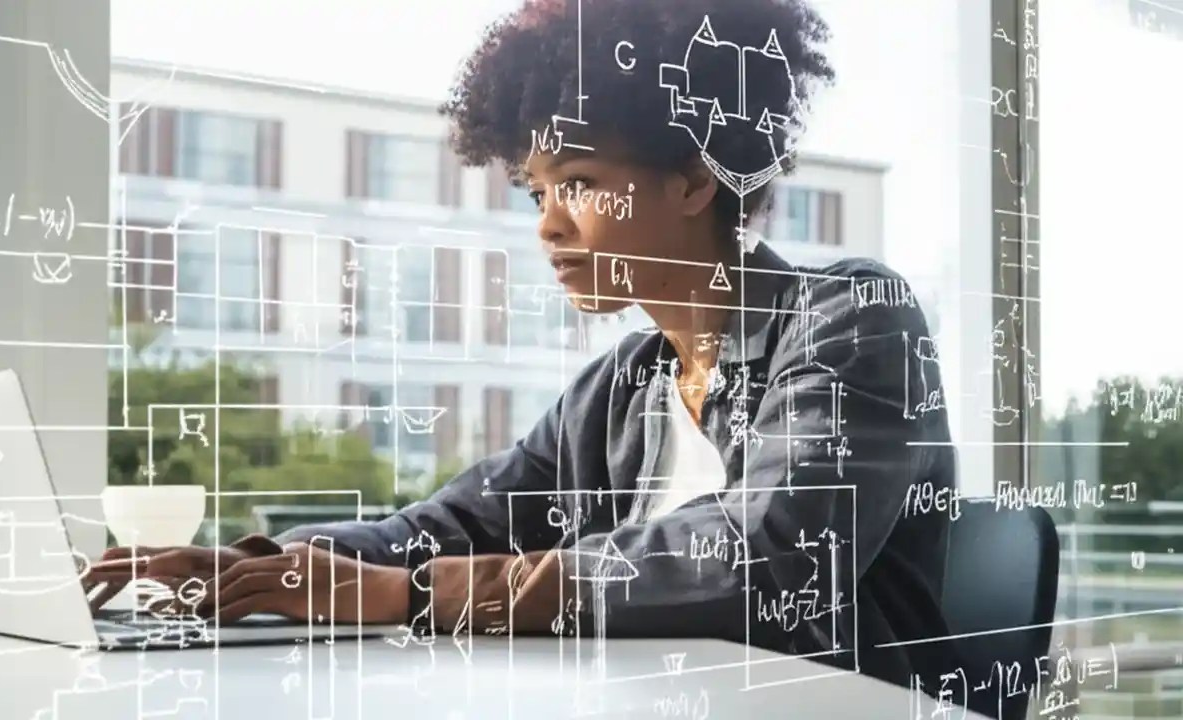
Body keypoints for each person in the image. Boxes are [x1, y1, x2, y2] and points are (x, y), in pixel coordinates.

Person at [86, 0, 961, 695]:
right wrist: (258, 568)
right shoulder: (620, 390)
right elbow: (449, 525)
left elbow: (768, 558)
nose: (547, 225)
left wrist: (419, 597)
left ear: (697, 175)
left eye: (578, 183)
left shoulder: (851, 319)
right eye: (535, 191)